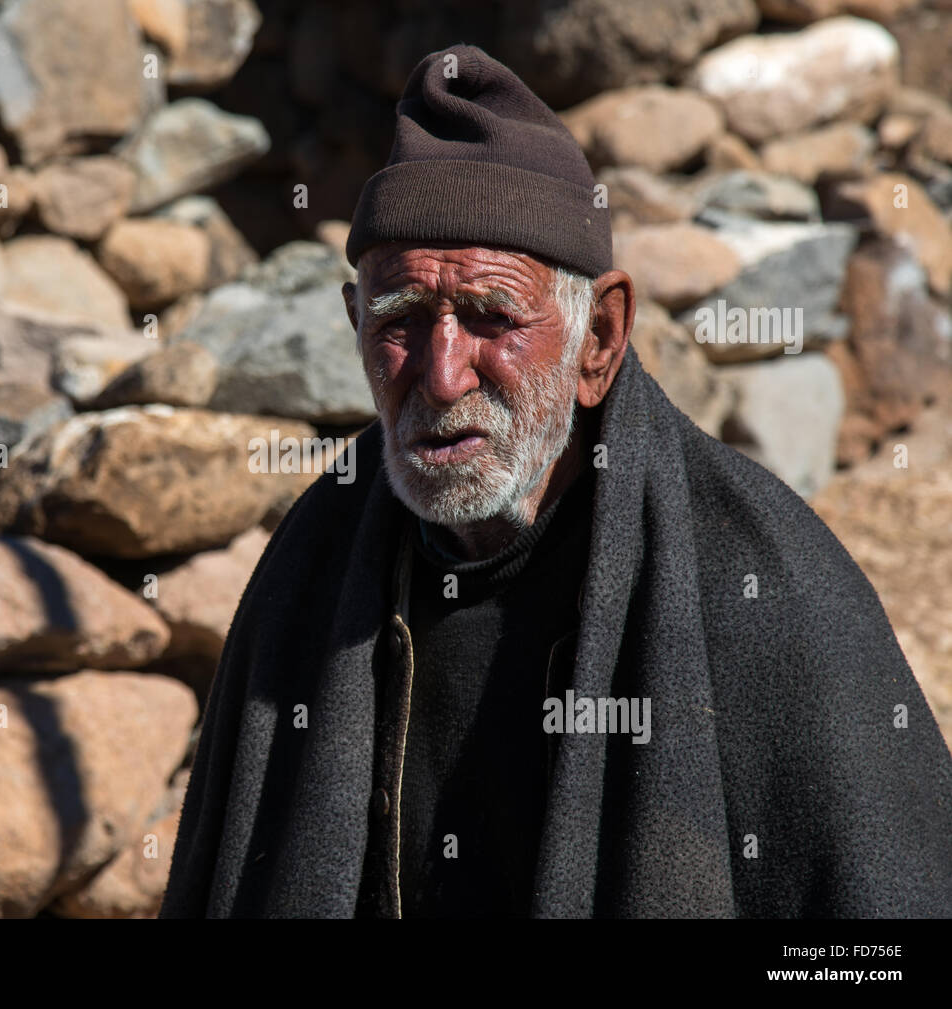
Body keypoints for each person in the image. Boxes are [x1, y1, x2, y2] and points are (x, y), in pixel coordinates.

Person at [159, 43, 952, 918]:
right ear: (353, 323)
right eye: (400, 321)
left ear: (600, 340)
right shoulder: (312, 566)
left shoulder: (761, 579)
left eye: (492, 318)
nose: (443, 374)